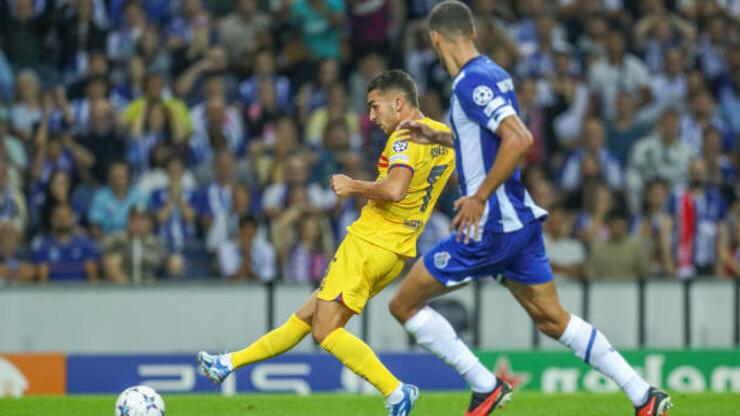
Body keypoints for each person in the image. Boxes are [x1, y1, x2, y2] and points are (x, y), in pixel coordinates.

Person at [387, 3, 671, 416]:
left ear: (435, 40)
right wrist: (439, 135)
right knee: (552, 319)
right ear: (472, 33)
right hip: (519, 220)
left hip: (490, 225)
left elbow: (518, 139)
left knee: (404, 304)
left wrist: (480, 196)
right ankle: (644, 396)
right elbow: (487, 142)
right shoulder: (494, 73)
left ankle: (485, 386)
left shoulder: (469, 82)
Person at [197, 69, 456, 416]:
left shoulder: (404, 139)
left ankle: (395, 391)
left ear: (399, 102)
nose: (371, 116)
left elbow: (395, 189)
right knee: (308, 315)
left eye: (375, 107)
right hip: (396, 251)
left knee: (325, 330)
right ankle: (227, 364)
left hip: (370, 244)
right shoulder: (442, 134)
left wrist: (353, 185)